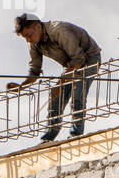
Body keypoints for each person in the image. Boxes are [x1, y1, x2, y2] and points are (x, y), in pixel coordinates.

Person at [6, 13, 101, 142]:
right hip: (70, 64)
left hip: (89, 58)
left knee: (77, 95)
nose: (28, 40)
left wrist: (60, 83)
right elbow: (35, 70)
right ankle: (48, 137)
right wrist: (22, 86)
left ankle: (75, 135)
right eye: (25, 38)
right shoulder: (33, 43)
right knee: (56, 98)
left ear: (38, 27)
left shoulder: (59, 31)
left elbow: (79, 59)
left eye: (29, 35)